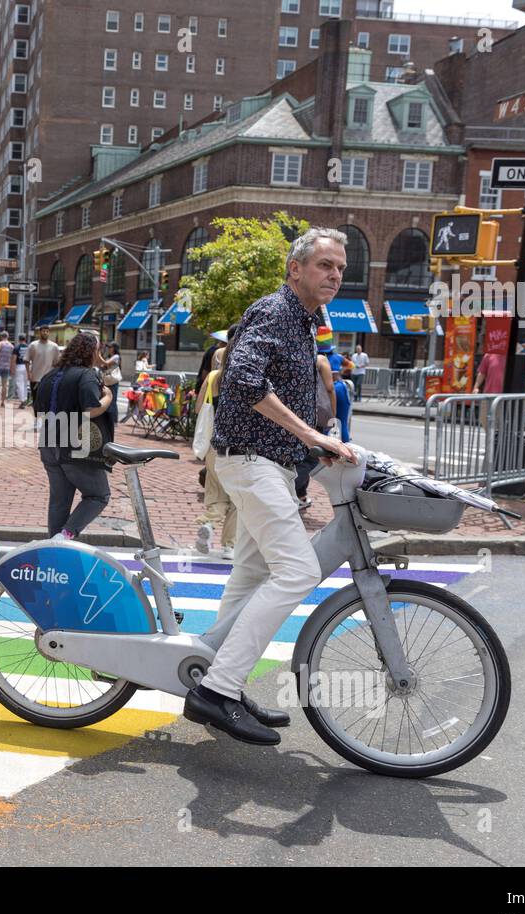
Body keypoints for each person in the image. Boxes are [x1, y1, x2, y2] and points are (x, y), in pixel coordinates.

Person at [183, 227, 357, 747]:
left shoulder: (304, 322)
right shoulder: (275, 311)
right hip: (251, 459)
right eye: (325, 265)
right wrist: (308, 432)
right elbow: (245, 380)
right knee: (298, 568)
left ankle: (218, 676)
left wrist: (315, 441)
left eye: (341, 268)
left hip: (273, 461)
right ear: (295, 269)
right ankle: (217, 691)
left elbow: (284, 395)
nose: (334, 275)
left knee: (253, 573)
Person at [34, 331, 115, 539]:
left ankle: (54, 548)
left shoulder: (51, 375)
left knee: (59, 502)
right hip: (74, 447)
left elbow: (39, 410)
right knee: (98, 495)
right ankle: (66, 535)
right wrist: (108, 396)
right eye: (98, 350)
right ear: (91, 351)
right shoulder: (85, 375)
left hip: (49, 444)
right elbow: (91, 409)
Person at [194, 346, 236, 559]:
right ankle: (229, 546)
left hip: (213, 444)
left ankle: (209, 524)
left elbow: (198, 407)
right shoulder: (245, 378)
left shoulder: (212, 377)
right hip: (238, 447)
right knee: (237, 499)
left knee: (216, 491)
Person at [295, 333, 338, 512]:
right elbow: (329, 387)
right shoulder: (320, 359)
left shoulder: (295, 355)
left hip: (293, 413)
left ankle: (301, 495)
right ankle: (294, 493)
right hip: (313, 414)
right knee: (311, 458)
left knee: (297, 453)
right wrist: (333, 415)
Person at [26, 325, 61, 401]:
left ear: (49, 333)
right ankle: (36, 413)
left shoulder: (54, 347)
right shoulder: (33, 345)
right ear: (40, 332)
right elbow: (27, 360)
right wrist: (29, 374)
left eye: (47, 331)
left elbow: (57, 363)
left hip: (49, 379)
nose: (45, 333)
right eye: (43, 331)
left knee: (47, 401)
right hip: (35, 378)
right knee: (35, 400)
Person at [101, 341, 123, 422]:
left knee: (112, 400)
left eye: (110, 347)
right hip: (108, 380)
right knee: (107, 399)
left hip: (113, 381)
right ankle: (109, 419)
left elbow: (105, 363)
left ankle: (113, 420)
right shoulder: (110, 356)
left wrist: (98, 355)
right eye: (108, 347)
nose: (109, 349)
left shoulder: (116, 356)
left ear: (114, 348)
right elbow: (102, 365)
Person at [0, 331, 15, 407]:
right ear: (7, 337)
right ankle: (3, 401)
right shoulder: (12, 346)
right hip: (7, 367)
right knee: (4, 385)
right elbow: (12, 359)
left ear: (1, 336)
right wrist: (12, 368)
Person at [332, 365, 352, 443]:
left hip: (335, 386)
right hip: (340, 385)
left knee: (334, 421)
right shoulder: (339, 357)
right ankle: (345, 444)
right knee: (342, 422)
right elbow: (352, 365)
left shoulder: (321, 357)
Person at [13, 334, 30, 405]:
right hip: (27, 366)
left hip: (19, 366)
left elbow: (14, 359)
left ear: (19, 339)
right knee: (25, 384)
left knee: (19, 384)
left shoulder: (17, 347)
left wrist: (12, 368)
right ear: (25, 339)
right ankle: (25, 399)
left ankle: (22, 400)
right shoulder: (29, 347)